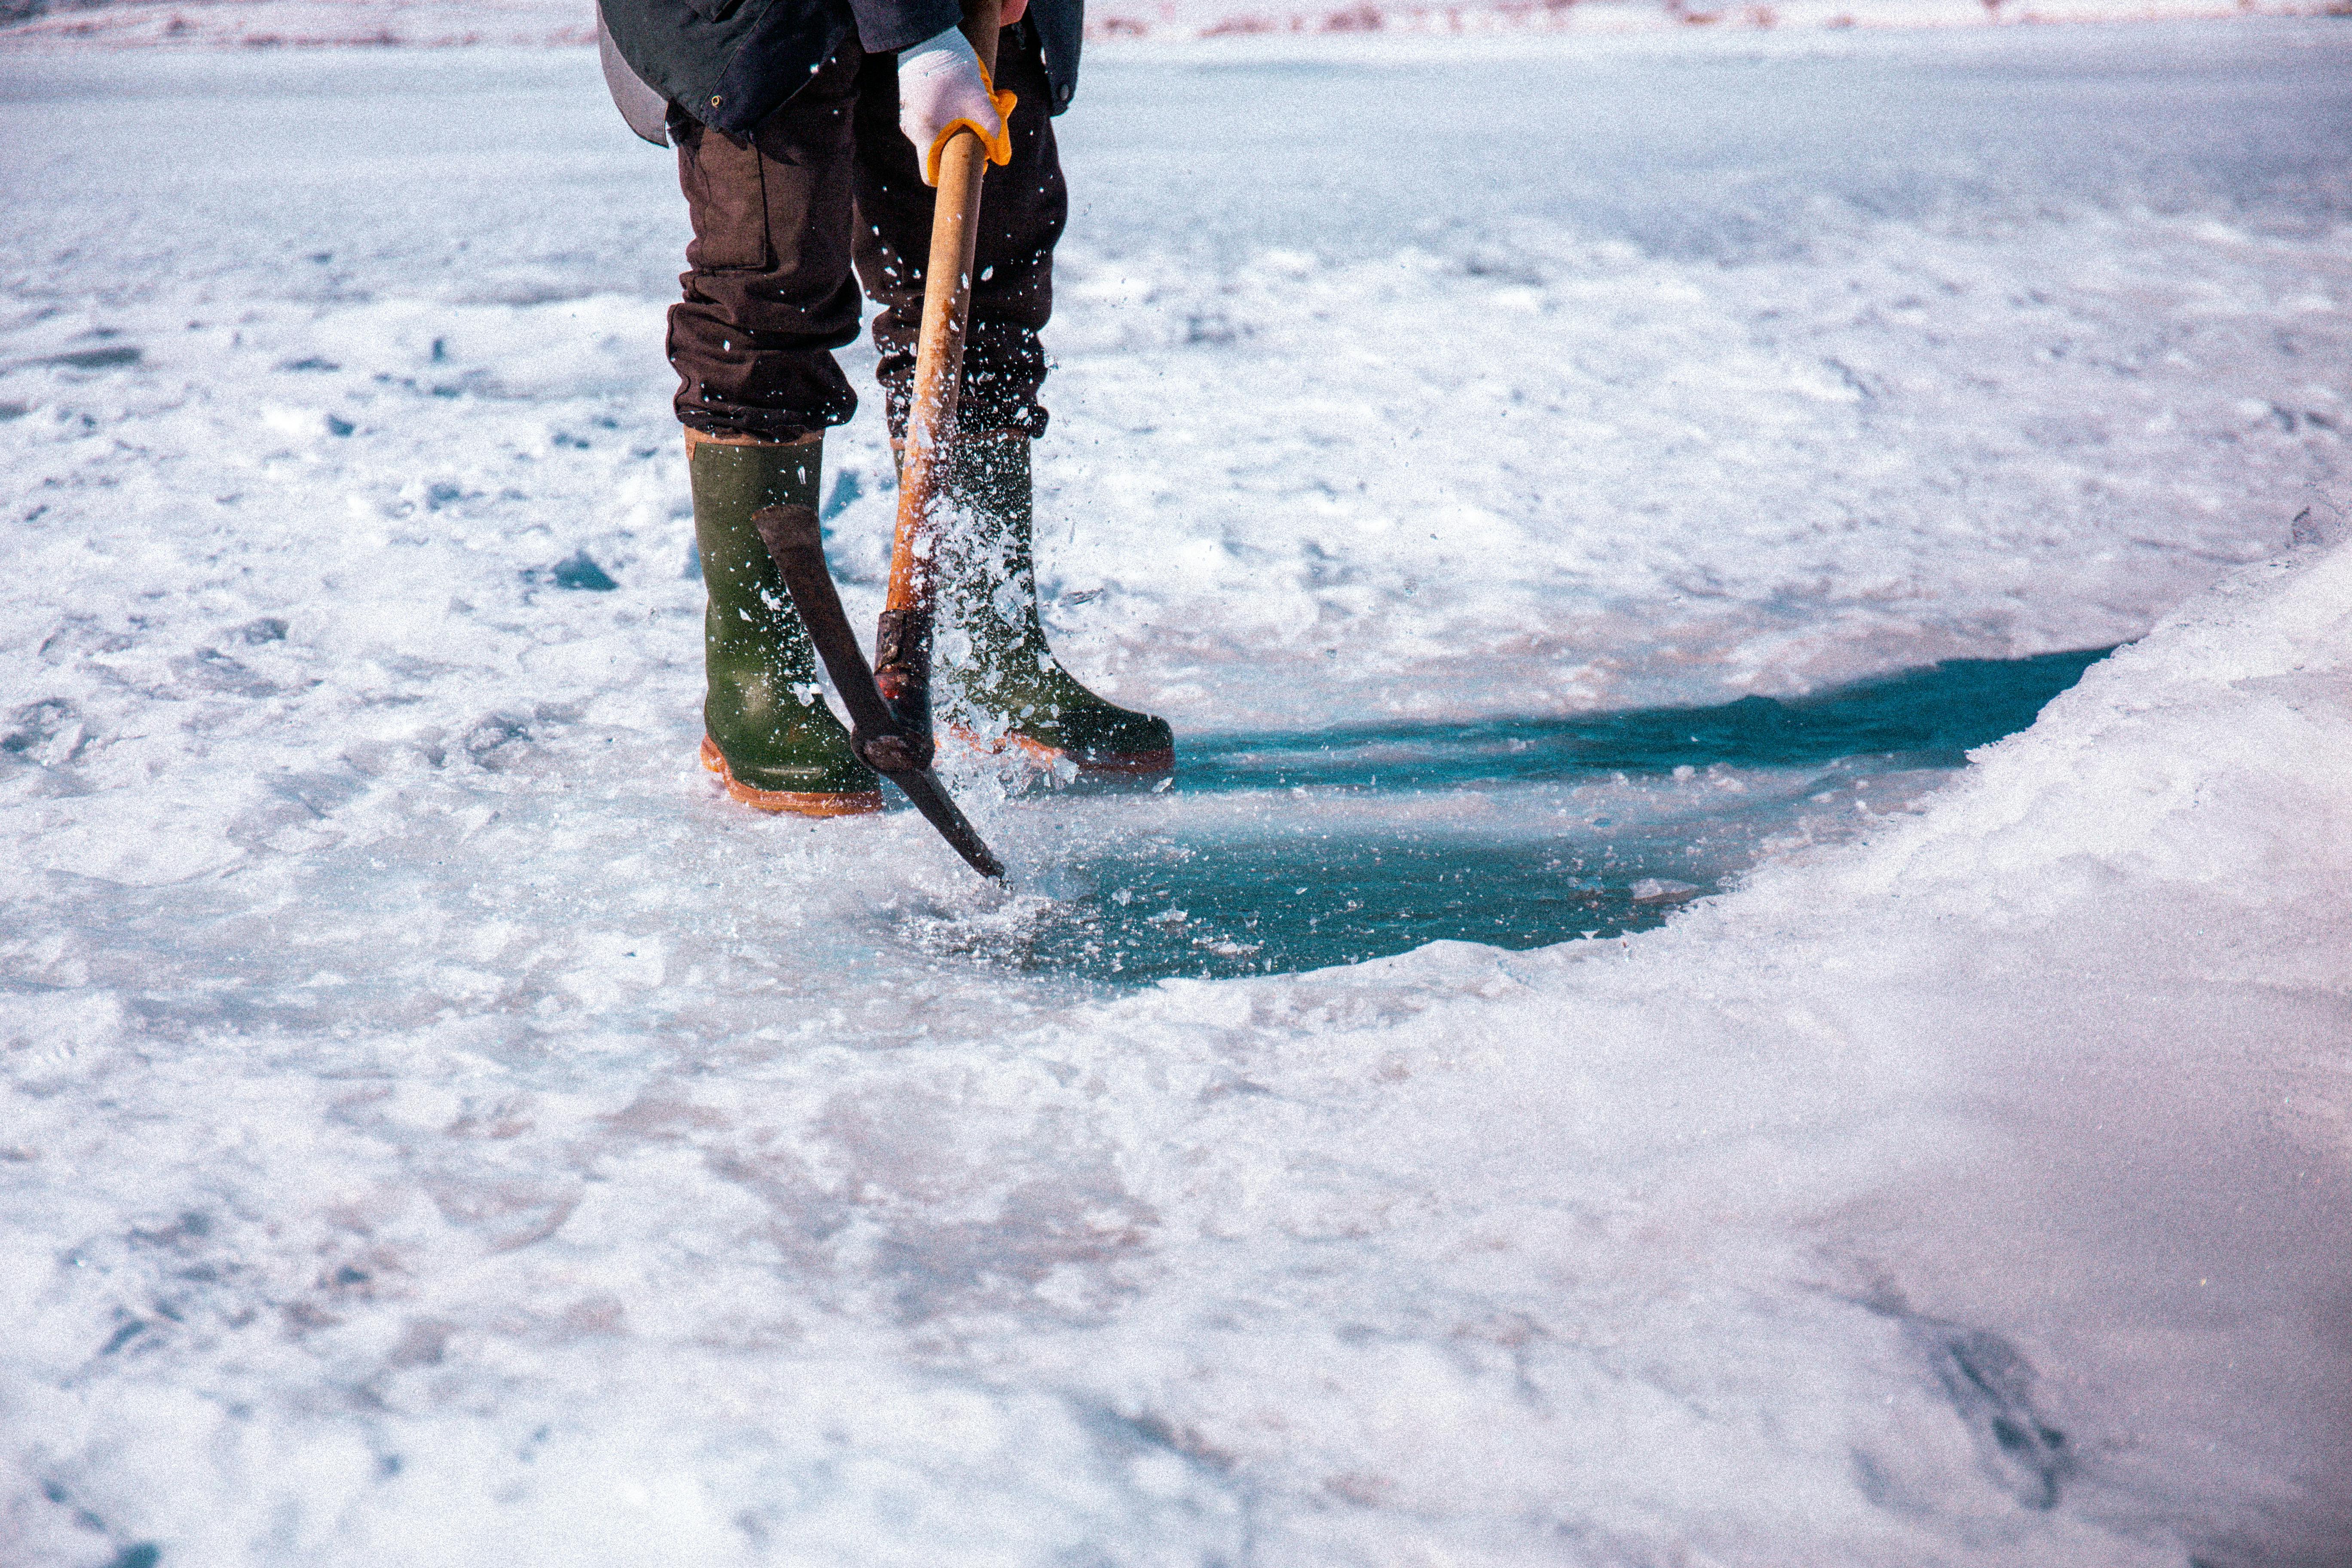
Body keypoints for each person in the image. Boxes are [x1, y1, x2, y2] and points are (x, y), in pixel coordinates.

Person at [597, 0, 1173, 815]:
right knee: (771, 279)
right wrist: (918, 31)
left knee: (984, 272)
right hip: (751, 20)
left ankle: (989, 647)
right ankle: (758, 681)